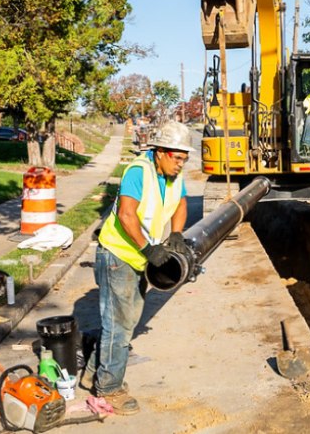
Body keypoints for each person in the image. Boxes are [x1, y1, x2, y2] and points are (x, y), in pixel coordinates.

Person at [80, 120, 193, 414]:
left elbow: (181, 203)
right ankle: (109, 389)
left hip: (139, 259)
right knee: (119, 325)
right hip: (118, 256)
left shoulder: (172, 176)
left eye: (184, 159)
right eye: (178, 158)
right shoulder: (137, 172)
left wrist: (177, 233)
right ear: (161, 152)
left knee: (126, 323)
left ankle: (95, 373)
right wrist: (148, 249)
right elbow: (127, 215)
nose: (181, 165)